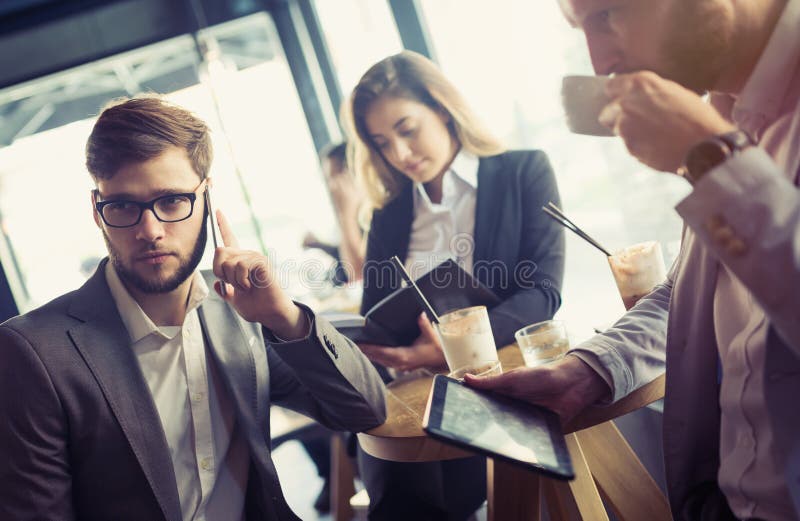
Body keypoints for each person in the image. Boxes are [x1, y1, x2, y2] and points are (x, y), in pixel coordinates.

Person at [468, 1, 800, 520]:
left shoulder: (715, 141)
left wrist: (711, 158)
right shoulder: (728, 113)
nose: (599, 64)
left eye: (608, 14)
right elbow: (688, 295)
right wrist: (587, 370)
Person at [0, 96, 387, 521]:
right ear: (97, 211)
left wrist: (285, 318)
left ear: (205, 197)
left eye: (171, 201)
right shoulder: (34, 354)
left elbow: (365, 409)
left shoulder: (240, 312)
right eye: (124, 206)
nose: (151, 231)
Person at [343, 51, 565, 520]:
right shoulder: (388, 214)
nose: (400, 154)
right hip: (414, 393)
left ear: (443, 109)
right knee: (402, 486)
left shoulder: (523, 172)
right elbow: (375, 317)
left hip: (499, 381)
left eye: (407, 129)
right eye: (383, 142)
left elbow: (543, 293)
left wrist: (452, 347)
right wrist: (388, 350)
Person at [301, 141, 367, 285]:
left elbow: (359, 274)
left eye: (335, 177)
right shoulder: (354, 214)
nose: (331, 187)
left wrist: (346, 214)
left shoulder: (378, 211)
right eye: (328, 180)